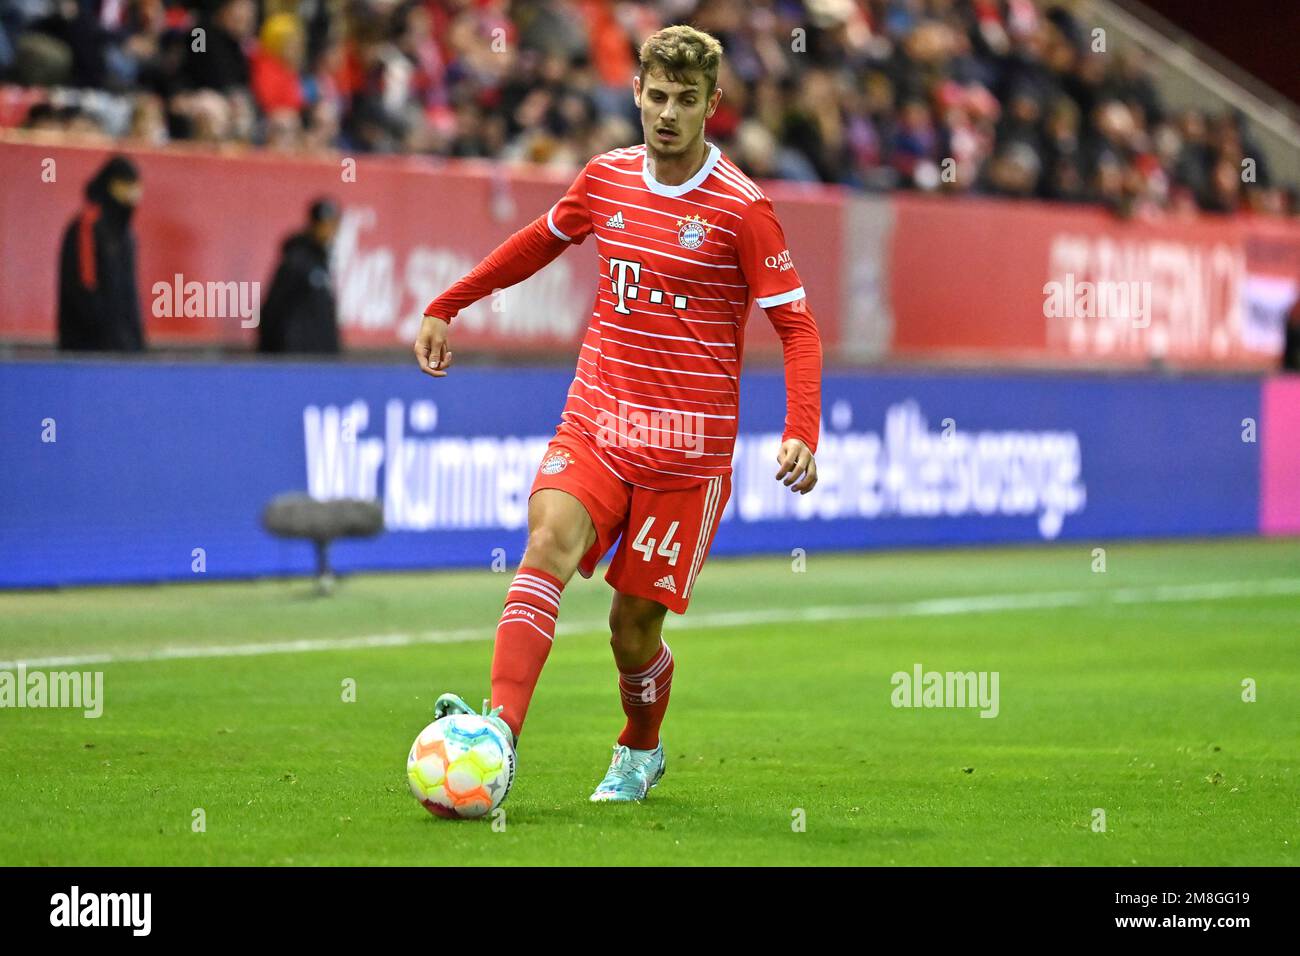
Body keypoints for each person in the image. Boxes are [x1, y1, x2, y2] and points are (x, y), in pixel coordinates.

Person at [413, 25, 822, 803]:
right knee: (546, 542)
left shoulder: (743, 210)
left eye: (685, 100)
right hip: (598, 422)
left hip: (686, 455)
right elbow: (539, 242)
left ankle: (640, 745)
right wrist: (449, 302)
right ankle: (499, 731)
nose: (667, 113)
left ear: (712, 104)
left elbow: (797, 328)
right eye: (657, 96)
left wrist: (801, 429)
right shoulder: (605, 178)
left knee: (631, 633)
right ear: (636, 92)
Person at [58, 155, 146, 352]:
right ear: (113, 185)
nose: (136, 192)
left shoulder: (127, 234)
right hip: (87, 347)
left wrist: (137, 344)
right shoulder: (87, 225)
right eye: (129, 184)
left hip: (123, 347)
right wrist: (108, 338)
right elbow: (84, 285)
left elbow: (130, 293)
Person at [257, 198, 341, 354]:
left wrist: (334, 351)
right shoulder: (296, 261)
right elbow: (273, 308)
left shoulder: (322, 262)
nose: (329, 230)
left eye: (333, 224)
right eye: (324, 224)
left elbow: (325, 318)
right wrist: (270, 353)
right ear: (313, 225)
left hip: (321, 359)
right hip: (297, 358)